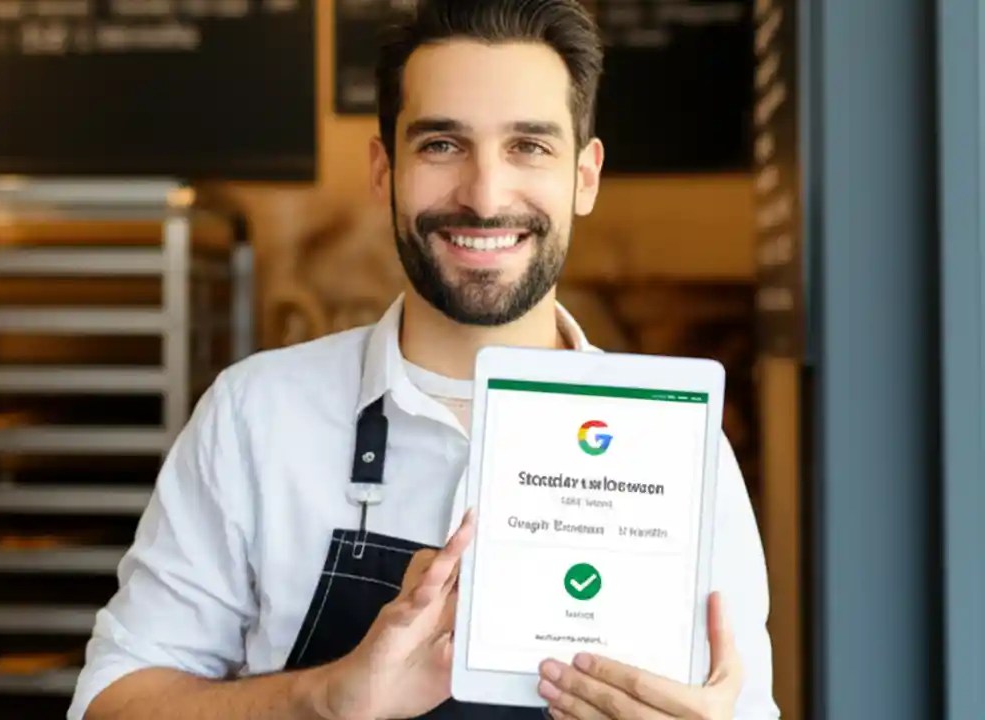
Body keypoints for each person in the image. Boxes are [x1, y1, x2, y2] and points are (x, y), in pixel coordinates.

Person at [69, 0, 778, 718]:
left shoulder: (681, 449)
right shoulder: (256, 416)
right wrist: (323, 700)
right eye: (442, 144)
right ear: (384, 169)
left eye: (529, 146)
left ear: (585, 177)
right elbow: (109, 703)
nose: (485, 196)